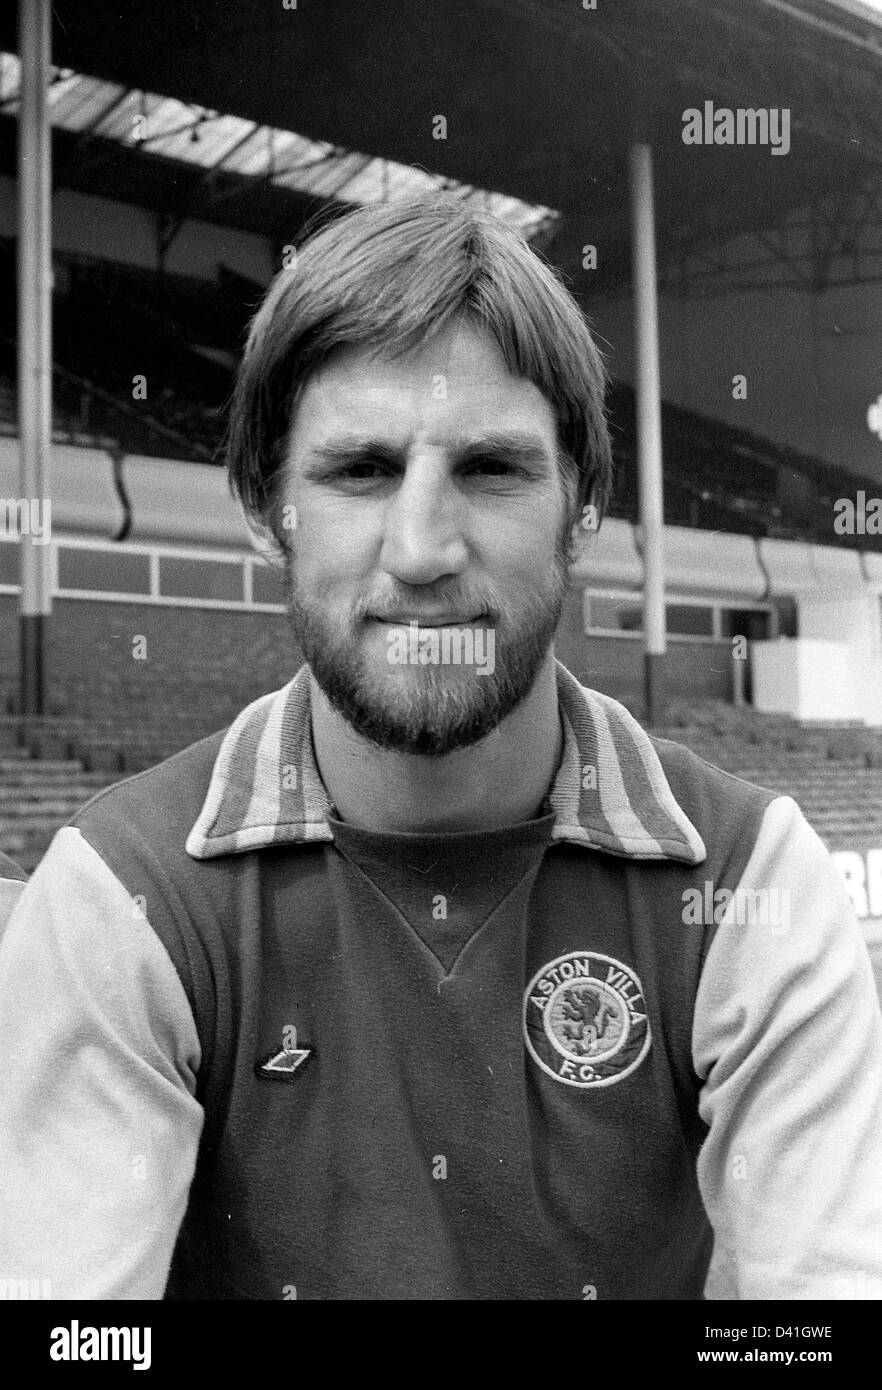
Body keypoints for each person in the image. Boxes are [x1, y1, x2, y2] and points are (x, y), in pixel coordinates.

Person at [1, 196, 880, 1301]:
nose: (421, 549)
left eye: (492, 469)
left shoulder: (756, 885)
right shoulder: (119, 900)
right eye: (362, 470)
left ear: (585, 506)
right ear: (266, 509)